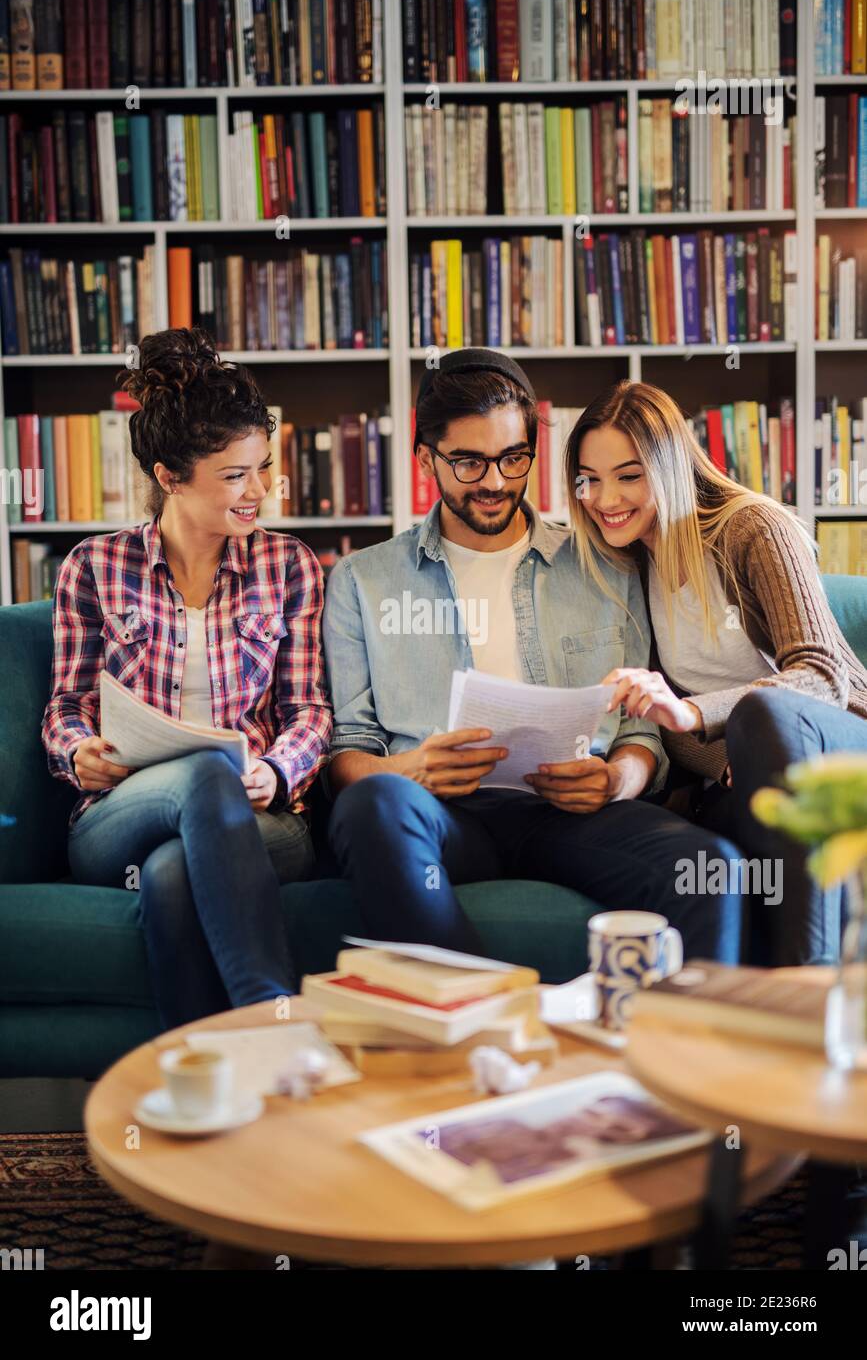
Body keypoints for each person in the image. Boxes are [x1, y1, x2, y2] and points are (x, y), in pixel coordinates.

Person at [321, 348, 745, 965]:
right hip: (438, 817)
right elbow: (346, 754)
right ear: (424, 461)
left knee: (713, 869)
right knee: (373, 802)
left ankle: (669, 1055)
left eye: (513, 458)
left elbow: (637, 729)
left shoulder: (606, 562)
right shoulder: (363, 580)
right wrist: (409, 769)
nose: (495, 482)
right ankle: (473, 1014)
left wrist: (615, 779)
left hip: (571, 814)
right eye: (468, 462)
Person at [42, 327, 332, 1029]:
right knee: (202, 773)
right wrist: (78, 752)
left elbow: (310, 711)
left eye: (262, 467)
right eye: (235, 475)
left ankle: (194, 1080)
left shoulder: (288, 566)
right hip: (120, 817)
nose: (259, 490)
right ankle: (271, 1022)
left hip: (262, 817)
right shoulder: (94, 567)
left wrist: (277, 769)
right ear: (170, 476)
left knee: (173, 873)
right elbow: (66, 704)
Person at [564, 378, 867, 966]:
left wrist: (700, 712)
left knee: (761, 712)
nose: (605, 499)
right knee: (710, 857)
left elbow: (821, 673)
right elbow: (665, 722)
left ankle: (800, 989)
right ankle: (730, 1018)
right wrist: (724, 757)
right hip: (749, 780)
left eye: (629, 476)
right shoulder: (626, 566)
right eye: (589, 479)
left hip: (841, 745)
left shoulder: (751, 529)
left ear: (671, 467)